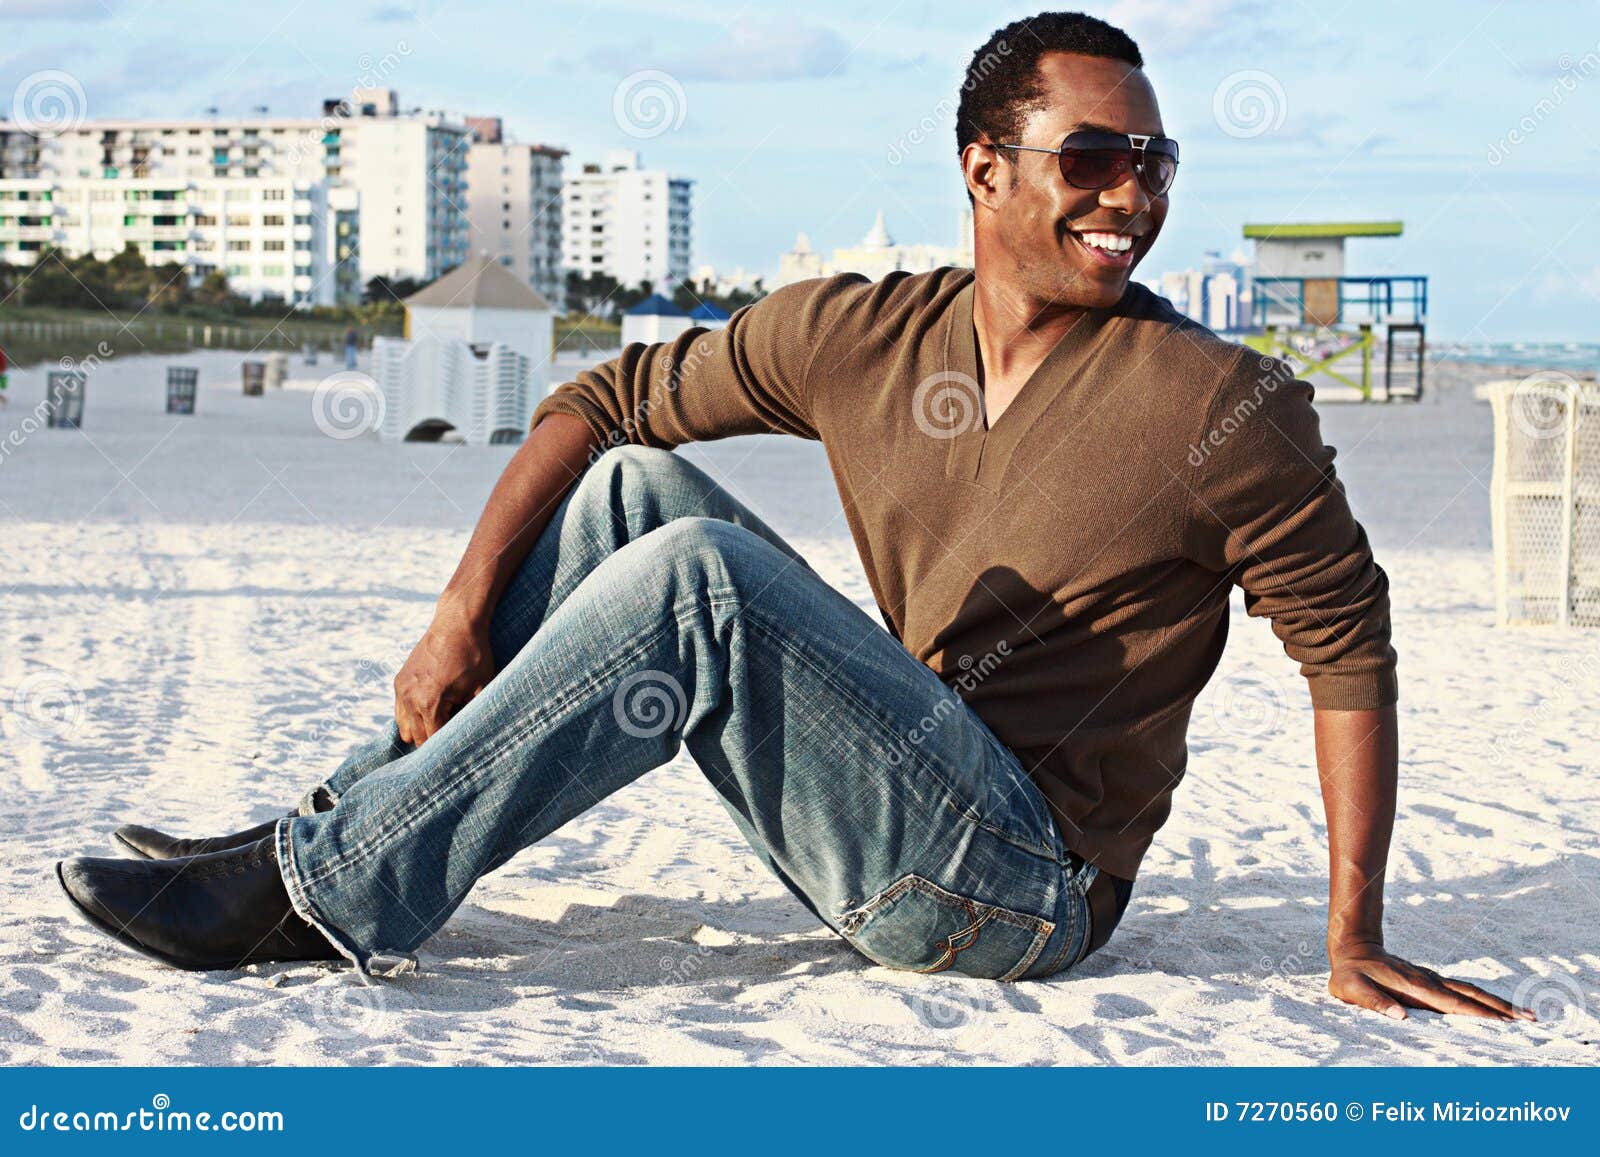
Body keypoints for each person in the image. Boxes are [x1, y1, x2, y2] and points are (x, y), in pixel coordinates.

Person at [58, 11, 1532, 1022]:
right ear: (986, 170)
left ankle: (313, 891)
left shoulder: (1222, 404)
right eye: (1093, 159)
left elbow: (1351, 647)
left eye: (1154, 164)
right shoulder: (865, 332)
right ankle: (328, 838)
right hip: (887, 796)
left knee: (699, 575)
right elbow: (603, 402)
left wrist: (1353, 932)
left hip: (1022, 889)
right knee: (637, 493)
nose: (1130, 196)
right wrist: (458, 615)